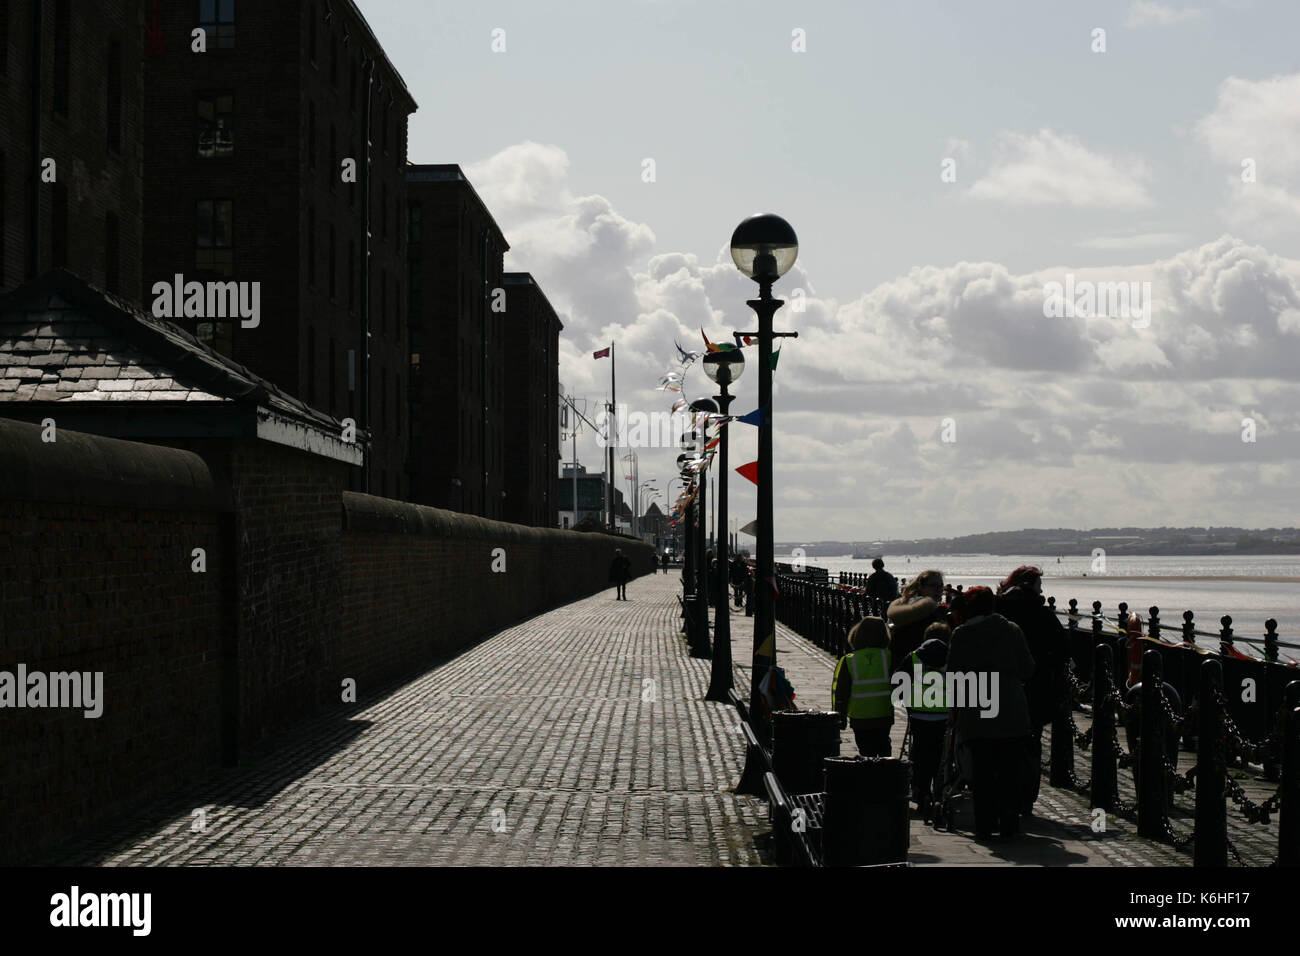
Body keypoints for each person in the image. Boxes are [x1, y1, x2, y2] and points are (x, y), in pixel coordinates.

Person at [945, 586, 1034, 840]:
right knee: (1010, 770)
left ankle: (984, 824)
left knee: (982, 771)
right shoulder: (1012, 630)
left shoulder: (962, 634)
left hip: (976, 710)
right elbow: (1027, 668)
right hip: (1011, 711)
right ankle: (1009, 822)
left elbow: (953, 675)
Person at [995, 566, 1069, 817]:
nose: (1042, 589)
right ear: (1031, 585)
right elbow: (1061, 649)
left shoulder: (997, 608)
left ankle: (998, 793)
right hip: (1034, 688)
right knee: (1030, 744)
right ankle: (1025, 800)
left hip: (996, 687)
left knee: (997, 742)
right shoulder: (1042, 613)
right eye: (1039, 585)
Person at [905, 625, 952, 822]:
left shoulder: (914, 657)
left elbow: (898, 682)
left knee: (920, 751)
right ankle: (940, 790)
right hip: (944, 716)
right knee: (942, 755)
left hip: (919, 715)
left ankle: (920, 789)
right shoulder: (952, 658)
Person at [832, 616, 894, 757]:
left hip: (859, 716)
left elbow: (841, 692)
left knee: (865, 750)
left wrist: (840, 716)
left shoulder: (850, 660)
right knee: (884, 746)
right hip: (883, 713)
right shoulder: (889, 656)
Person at [886, 569, 945, 675]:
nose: (938, 589)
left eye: (941, 585)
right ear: (921, 587)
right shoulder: (927, 613)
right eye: (933, 585)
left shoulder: (905, 605)